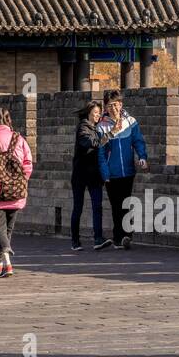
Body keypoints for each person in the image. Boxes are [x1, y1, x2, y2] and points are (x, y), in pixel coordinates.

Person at [97, 89, 148, 249]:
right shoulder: (102, 126)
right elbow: (101, 152)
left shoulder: (131, 121)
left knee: (126, 203)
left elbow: (138, 141)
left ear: (121, 104)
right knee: (116, 205)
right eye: (110, 105)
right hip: (112, 173)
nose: (113, 108)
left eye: (116, 104)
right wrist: (104, 173)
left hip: (128, 171)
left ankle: (126, 236)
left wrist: (142, 157)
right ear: (105, 107)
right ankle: (118, 237)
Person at [0, 106, 33, 278]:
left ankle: (7, 262)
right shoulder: (18, 138)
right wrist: (22, 180)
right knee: (8, 229)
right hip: (17, 191)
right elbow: (28, 162)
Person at [70, 101, 106, 251]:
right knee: (78, 207)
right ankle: (75, 241)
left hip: (94, 175)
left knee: (97, 206)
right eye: (95, 112)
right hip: (80, 174)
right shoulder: (83, 127)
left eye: (99, 113)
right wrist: (105, 138)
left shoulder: (98, 128)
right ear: (88, 113)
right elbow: (89, 143)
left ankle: (98, 239)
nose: (97, 115)